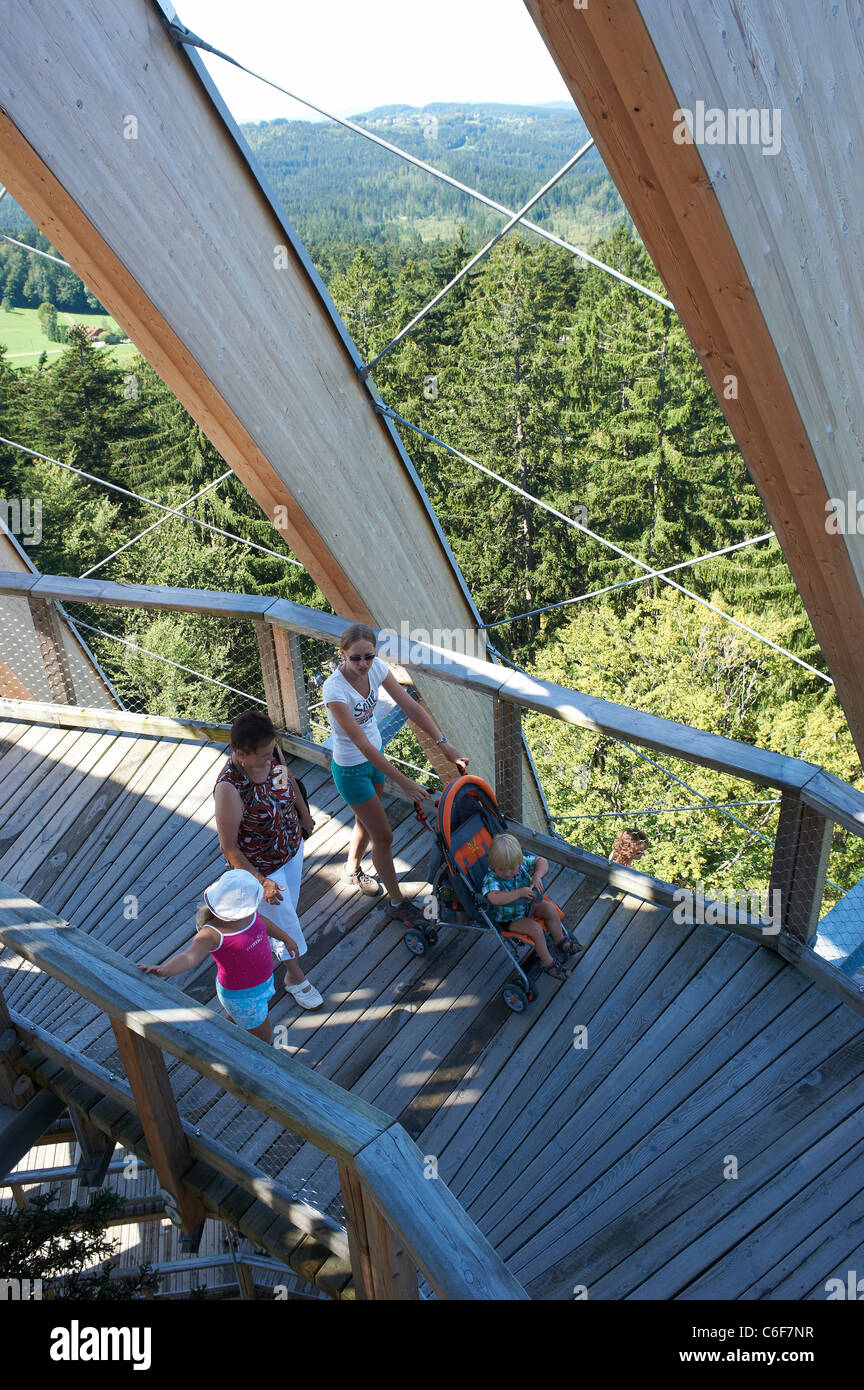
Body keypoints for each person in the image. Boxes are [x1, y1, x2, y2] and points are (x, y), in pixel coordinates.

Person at [322, 623, 468, 923]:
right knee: (384, 837)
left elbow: (410, 706)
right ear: (342, 655)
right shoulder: (334, 690)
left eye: (369, 656)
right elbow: (361, 745)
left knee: (366, 823)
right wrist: (404, 782)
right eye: (355, 658)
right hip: (352, 769)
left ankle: (351, 868)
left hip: (376, 759)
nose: (363, 665)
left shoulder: (376, 670)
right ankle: (397, 902)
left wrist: (444, 744)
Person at [214, 710, 322, 1010]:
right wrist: (262, 883)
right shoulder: (229, 788)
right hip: (263, 868)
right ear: (240, 754)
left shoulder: (269, 753)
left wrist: (304, 815)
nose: (270, 758)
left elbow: (286, 781)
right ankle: (294, 976)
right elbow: (229, 847)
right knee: (285, 919)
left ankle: (265, 943)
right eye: (262, 755)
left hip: (291, 849)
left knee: (287, 913)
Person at [137, 869, 296, 1044]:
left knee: (238, 1018)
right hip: (242, 995)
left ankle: (215, 1035)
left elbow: (262, 923)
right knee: (263, 1039)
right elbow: (189, 957)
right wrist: (163, 970)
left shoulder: (248, 913)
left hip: (264, 982)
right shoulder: (212, 934)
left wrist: (285, 938)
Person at [482, 833, 580, 981]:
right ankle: (548, 964)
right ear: (492, 865)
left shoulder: (520, 864)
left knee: (550, 909)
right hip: (509, 918)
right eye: (501, 869)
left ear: (518, 861)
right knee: (535, 929)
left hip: (527, 906)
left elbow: (542, 861)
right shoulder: (492, 878)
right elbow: (494, 897)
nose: (507, 873)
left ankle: (561, 942)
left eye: (511, 868)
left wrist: (537, 875)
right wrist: (519, 893)